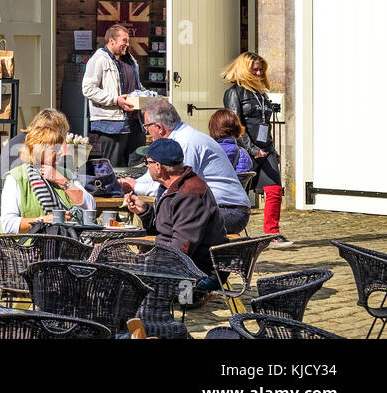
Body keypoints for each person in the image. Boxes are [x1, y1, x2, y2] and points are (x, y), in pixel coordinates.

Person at [119, 99, 252, 234]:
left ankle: (164, 253)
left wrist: (135, 187)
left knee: (172, 223)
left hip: (229, 211)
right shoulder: (179, 139)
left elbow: (174, 184)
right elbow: (155, 176)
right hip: (216, 208)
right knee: (168, 221)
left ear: (159, 127)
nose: (147, 132)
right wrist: (129, 183)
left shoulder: (186, 142)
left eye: (146, 127)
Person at [124, 138, 229, 277]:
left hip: (198, 271)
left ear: (158, 166)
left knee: (125, 277)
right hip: (179, 264)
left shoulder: (189, 193)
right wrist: (145, 211)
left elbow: (181, 249)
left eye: (147, 162)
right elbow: (165, 229)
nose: (146, 166)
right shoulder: (170, 188)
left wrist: (148, 263)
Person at [222, 52, 291, 247]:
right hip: (244, 150)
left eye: (262, 70)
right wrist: (251, 149)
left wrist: (273, 150)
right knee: (235, 193)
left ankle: (272, 233)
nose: (260, 73)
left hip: (265, 148)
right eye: (256, 70)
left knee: (275, 190)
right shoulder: (234, 93)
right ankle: (229, 231)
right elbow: (237, 125)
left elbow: (265, 125)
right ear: (245, 70)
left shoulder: (261, 94)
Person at [0, 109, 94, 233]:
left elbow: (90, 206)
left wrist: (61, 181)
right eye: (55, 148)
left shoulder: (64, 174)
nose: (62, 151)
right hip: (28, 248)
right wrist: (43, 221)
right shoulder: (16, 177)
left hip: (64, 244)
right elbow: (8, 224)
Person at [81, 24, 144, 167]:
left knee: (136, 167)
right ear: (111, 41)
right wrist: (116, 100)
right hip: (111, 125)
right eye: (124, 40)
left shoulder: (130, 60)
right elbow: (88, 88)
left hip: (134, 123)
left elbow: (136, 86)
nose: (127, 44)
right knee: (113, 167)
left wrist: (148, 97)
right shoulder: (99, 59)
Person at [208, 109, 253, 177]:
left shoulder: (208, 152)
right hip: (235, 187)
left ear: (213, 128)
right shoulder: (243, 154)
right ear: (237, 127)